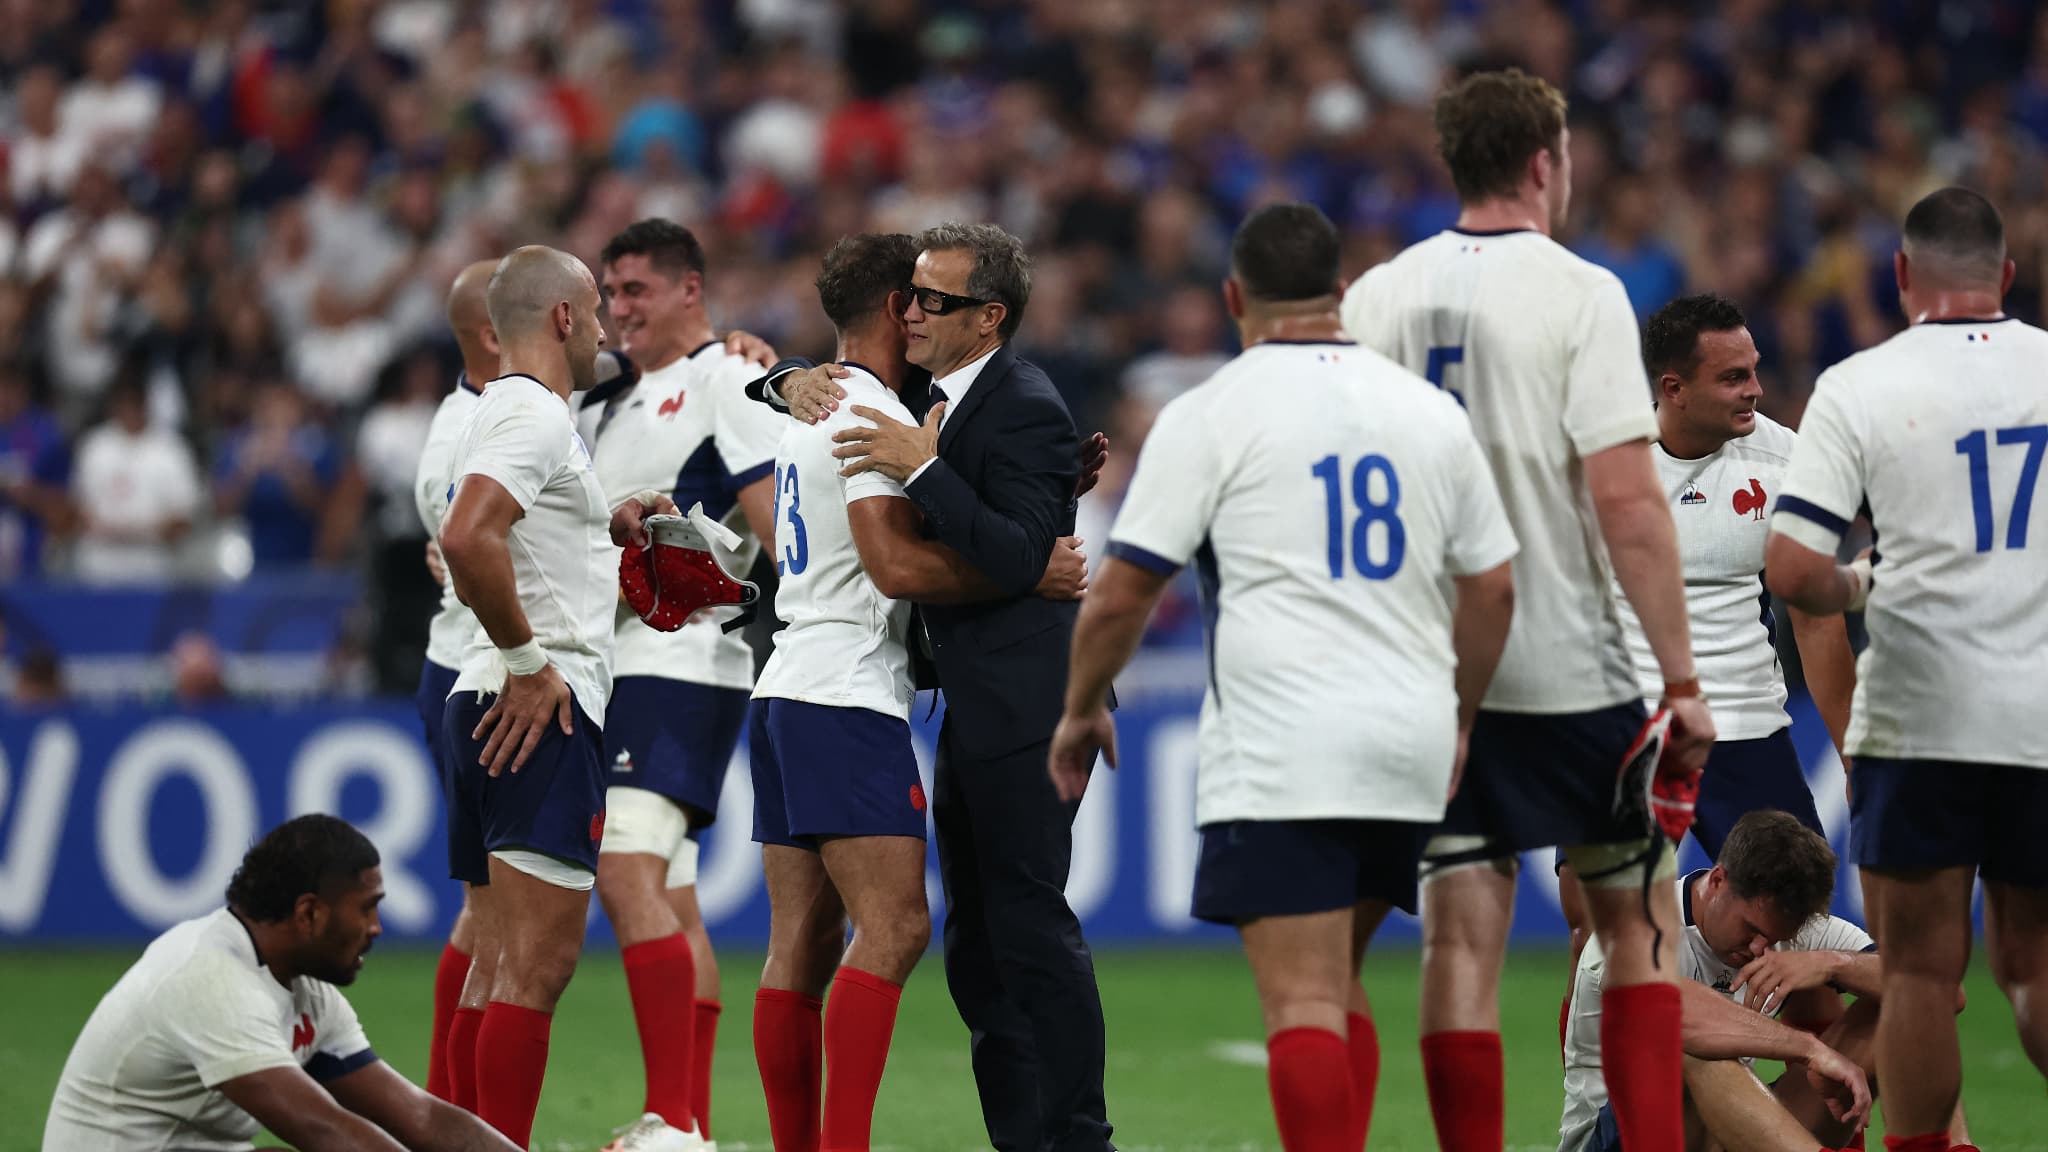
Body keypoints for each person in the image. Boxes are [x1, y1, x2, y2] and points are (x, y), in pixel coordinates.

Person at [1050, 202, 1519, 1152]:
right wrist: (1461, 715)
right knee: (1338, 973)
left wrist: (1076, 709)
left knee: (1301, 996)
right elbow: (1495, 589)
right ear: (1341, 293)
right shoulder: (1428, 412)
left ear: (1234, 299)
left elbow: (1122, 590)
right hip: (1412, 738)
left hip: (1287, 736)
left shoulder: (1213, 411)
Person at [1340, 67, 1715, 1152]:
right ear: (1546, 161)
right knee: (1637, 930)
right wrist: (1680, 681)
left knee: (1459, 945)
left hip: (1435, 675)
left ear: (1452, 162)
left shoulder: (1375, 298)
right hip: (1567, 665)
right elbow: (1624, 499)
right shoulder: (1579, 292)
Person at [773, 222, 1111, 1152]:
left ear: (989, 317)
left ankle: (1080, 1139)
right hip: (974, 707)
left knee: (1030, 930)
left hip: (1031, 710)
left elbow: (1015, 551)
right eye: (912, 296)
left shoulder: (1022, 401)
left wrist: (919, 467)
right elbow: (847, 365)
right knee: (979, 946)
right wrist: (785, 378)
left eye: (937, 301)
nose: (915, 312)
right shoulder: (933, 397)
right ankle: (1022, 1137)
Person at [1766, 186, 2048, 1152]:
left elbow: (1794, 570)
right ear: (2007, 277)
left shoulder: (1860, 385)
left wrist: (1859, 581)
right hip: (2042, 715)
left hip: (1922, 720)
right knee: (2038, 966)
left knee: (1923, 973)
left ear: (1900, 278)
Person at [741, 230, 1006, 1152]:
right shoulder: (863, 415)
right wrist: (1022, 571)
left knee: (801, 949)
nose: (932, 315)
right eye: (924, 301)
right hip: (845, 690)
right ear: (899, 309)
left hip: (785, 685)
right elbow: (894, 565)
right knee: (894, 929)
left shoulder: (812, 406)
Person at [1554, 294, 1861, 1041]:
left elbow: (1816, 622)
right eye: (1732, 378)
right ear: (1672, 388)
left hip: (1746, 731)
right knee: (1595, 948)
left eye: (1753, 370)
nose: (1754, 389)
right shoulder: (1600, 466)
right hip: (1626, 730)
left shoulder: (1787, 460)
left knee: (1806, 960)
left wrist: (1856, 753)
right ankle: (1603, 1127)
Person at [585, 219, 784, 1150]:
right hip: (615, 663)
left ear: (690, 291)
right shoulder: (610, 400)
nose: (620, 309)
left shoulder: (728, 379)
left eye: (637, 291)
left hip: (685, 658)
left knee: (623, 871)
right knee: (671, 890)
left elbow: (770, 535)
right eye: (611, 293)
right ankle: (692, 1124)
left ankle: (668, 1120)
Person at [42, 814, 523, 1152]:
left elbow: (419, 1118)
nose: (376, 927)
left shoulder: (304, 991)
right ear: (308, 912)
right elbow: (323, 1130)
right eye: (366, 907)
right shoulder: (211, 979)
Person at [436, 244, 616, 1147]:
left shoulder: (504, 413)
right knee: (535, 971)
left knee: (497, 964)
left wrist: (611, 525)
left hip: (481, 699)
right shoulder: (535, 414)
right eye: (598, 312)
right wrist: (530, 661)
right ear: (562, 318)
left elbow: (504, 536)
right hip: (533, 707)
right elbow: (468, 536)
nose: (606, 329)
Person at [414, 258, 497, 1110]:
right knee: (498, 921)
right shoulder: (465, 435)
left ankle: (448, 1108)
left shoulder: (486, 414)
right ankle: (452, 1110)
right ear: (491, 333)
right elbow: (468, 543)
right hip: (477, 670)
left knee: (492, 917)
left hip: (466, 666)